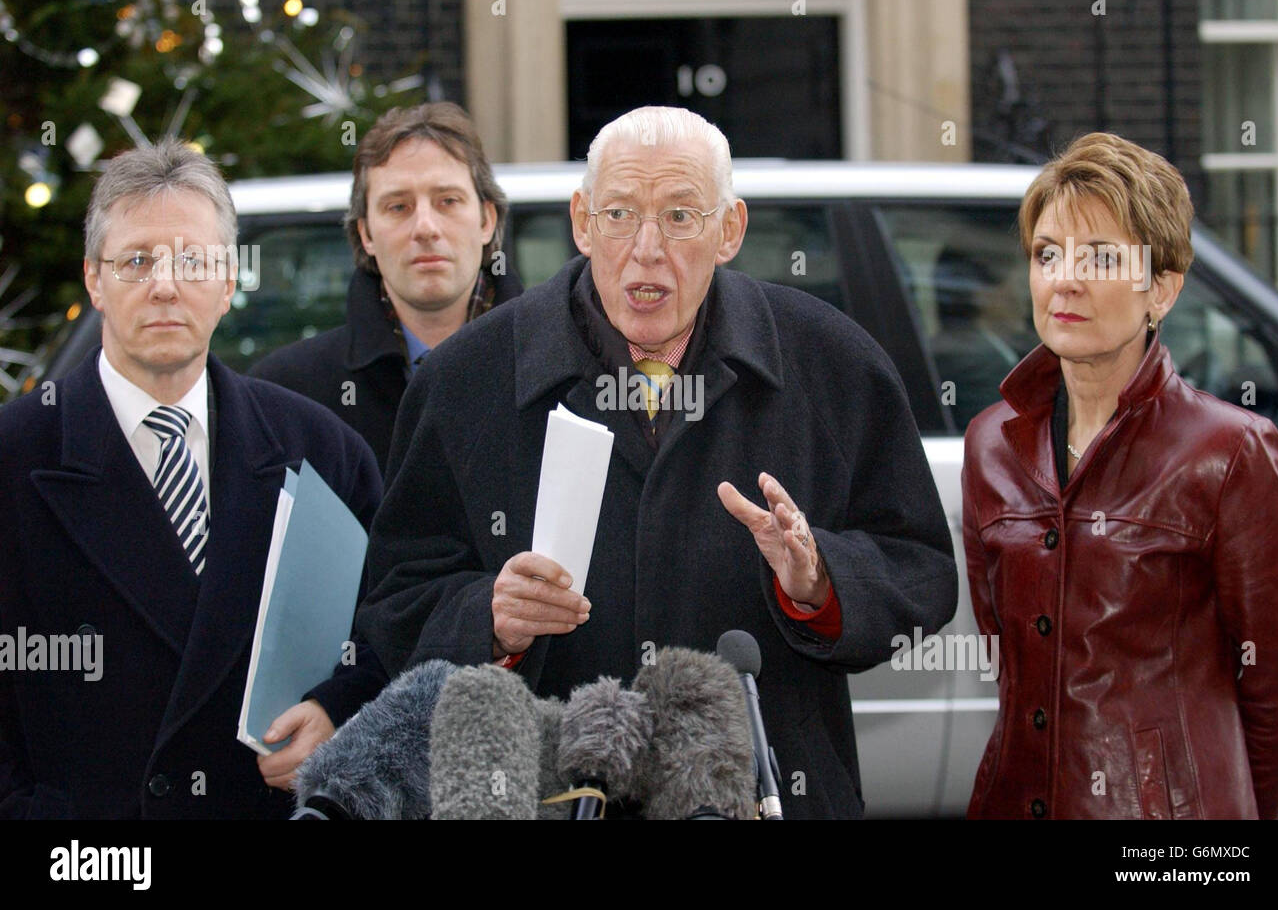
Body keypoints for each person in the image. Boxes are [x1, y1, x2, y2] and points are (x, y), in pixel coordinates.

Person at [356, 106, 957, 819]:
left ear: (729, 229)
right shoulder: (466, 380)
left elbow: (920, 567)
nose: (646, 249)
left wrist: (820, 580)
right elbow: (395, 600)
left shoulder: (832, 363)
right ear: (581, 221)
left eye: (679, 217)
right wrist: (488, 617)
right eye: (618, 214)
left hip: (767, 792)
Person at [0, 141, 384, 818]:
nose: (166, 284)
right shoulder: (14, 455)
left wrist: (337, 709)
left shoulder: (322, 450)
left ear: (229, 278)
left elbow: (391, 629)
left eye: (194, 259)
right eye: (137, 260)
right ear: (94, 279)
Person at [962, 132, 1278, 819]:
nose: (1065, 279)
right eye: (1048, 253)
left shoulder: (1230, 450)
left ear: (1163, 289)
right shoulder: (990, 443)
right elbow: (1006, 654)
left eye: (1102, 257)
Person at [249, 102, 522, 471]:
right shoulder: (286, 392)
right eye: (398, 207)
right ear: (366, 234)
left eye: (448, 201)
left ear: (486, 220)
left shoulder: (563, 373)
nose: (425, 227)